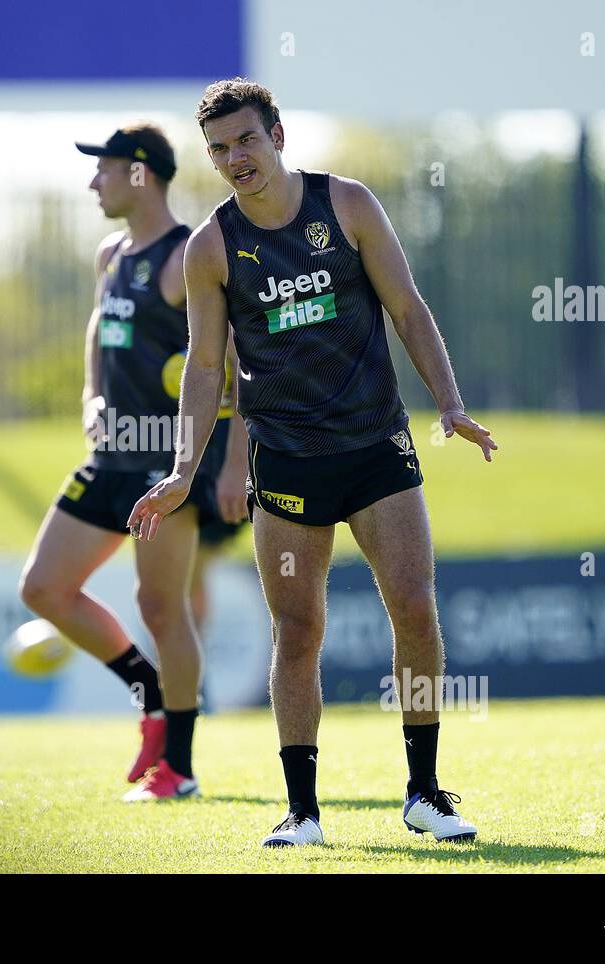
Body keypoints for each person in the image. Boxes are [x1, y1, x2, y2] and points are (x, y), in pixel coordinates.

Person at [129, 79, 498, 845]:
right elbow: (204, 369)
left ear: (278, 136)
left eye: (247, 141)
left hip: (375, 446)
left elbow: (408, 308)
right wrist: (183, 468)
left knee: (415, 606)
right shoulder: (211, 247)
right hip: (288, 462)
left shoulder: (349, 205)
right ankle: (302, 812)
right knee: (297, 631)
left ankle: (425, 793)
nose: (237, 158)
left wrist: (450, 403)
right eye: (221, 149)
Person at [19, 124, 248, 802]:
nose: (94, 183)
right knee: (42, 588)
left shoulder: (185, 259)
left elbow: (234, 365)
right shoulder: (110, 254)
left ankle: (178, 765)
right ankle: (148, 691)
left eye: (106, 171)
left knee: (161, 606)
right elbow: (98, 328)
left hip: (165, 466)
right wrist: (91, 394)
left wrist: (234, 464)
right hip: (109, 455)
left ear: (142, 174)